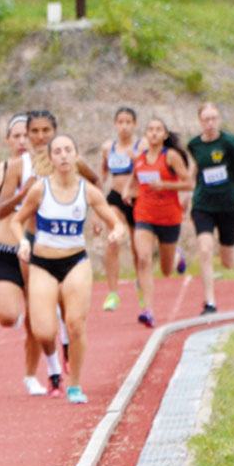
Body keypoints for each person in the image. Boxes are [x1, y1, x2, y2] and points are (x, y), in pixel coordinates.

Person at [8, 133, 127, 404]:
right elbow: (17, 221)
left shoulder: (88, 191)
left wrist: (116, 233)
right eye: (58, 151)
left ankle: (75, 385)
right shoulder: (40, 189)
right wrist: (22, 243)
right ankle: (54, 366)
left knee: (75, 324)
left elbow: (114, 221)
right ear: (50, 158)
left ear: (76, 156)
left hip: (76, 262)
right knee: (43, 331)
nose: (63, 156)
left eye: (68, 150)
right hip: (42, 264)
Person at [0, 110, 104, 392]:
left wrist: (96, 220)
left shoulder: (69, 159)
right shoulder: (20, 166)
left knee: (68, 306)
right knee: (37, 313)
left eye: (46, 131)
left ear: (55, 131)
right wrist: (23, 194)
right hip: (32, 241)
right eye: (35, 131)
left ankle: (68, 347)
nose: (40, 137)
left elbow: (95, 186)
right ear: (27, 134)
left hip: (66, 244)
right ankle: (53, 368)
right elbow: (1, 210)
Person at [0, 113, 48, 396]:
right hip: (6, 250)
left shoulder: (48, 170)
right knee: (7, 317)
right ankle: (13, 309)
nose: (21, 141)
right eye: (15, 136)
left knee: (35, 320)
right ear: (7, 140)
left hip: (36, 251)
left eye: (25, 135)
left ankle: (31, 375)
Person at [186, 101, 234, 315]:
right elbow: (196, 168)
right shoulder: (194, 145)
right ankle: (210, 303)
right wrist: (187, 193)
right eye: (205, 119)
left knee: (228, 262)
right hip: (203, 205)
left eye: (213, 119)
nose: (210, 123)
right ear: (200, 121)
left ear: (219, 119)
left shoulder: (230, 142)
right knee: (205, 249)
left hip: (228, 205)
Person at [126, 117, 194, 327]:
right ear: (145, 134)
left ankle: (176, 256)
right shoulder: (140, 158)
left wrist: (164, 185)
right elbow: (135, 179)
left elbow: (189, 183)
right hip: (144, 216)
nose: (154, 133)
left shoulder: (171, 156)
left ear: (165, 135)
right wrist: (129, 192)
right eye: (150, 129)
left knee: (166, 270)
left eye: (158, 130)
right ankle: (148, 310)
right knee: (144, 258)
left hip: (169, 218)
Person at [97, 106, 141, 312]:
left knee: (137, 247)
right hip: (115, 197)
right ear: (115, 124)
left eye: (128, 122)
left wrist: (136, 160)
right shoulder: (109, 147)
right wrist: (96, 200)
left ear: (135, 125)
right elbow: (103, 174)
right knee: (113, 241)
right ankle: (112, 293)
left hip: (137, 199)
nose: (124, 127)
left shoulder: (142, 146)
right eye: (120, 122)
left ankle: (141, 285)